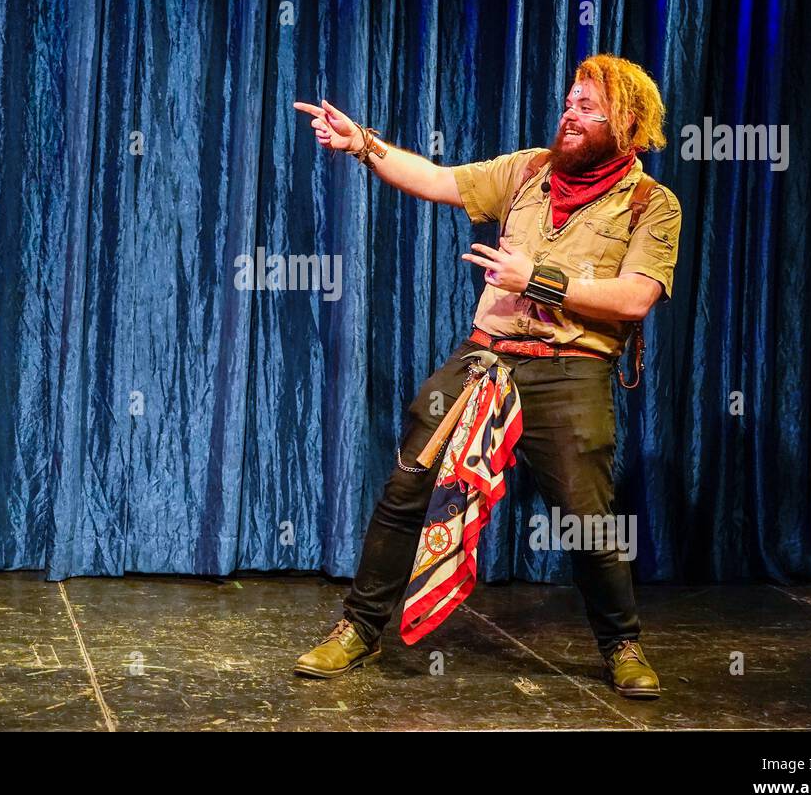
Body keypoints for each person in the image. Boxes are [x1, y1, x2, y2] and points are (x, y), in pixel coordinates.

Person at [290, 54, 682, 699]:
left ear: (629, 123)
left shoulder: (651, 204)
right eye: (569, 103)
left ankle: (622, 644)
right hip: (485, 359)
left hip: (570, 370)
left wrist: (540, 281)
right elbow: (436, 179)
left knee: (586, 518)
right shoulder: (528, 170)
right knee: (407, 485)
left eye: (588, 108)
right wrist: (363, 144)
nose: (571, 115)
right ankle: (357, 629)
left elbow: (636, 298)